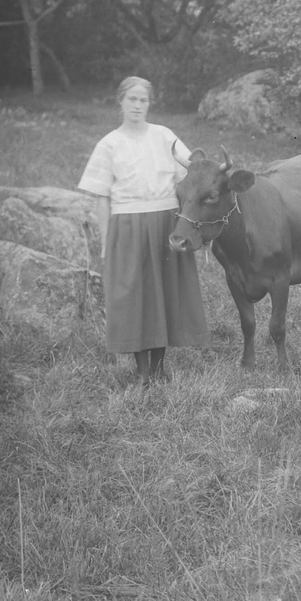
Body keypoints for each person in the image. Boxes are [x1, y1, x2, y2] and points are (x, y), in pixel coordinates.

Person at [78, 76, 209, 383]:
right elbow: (102, 198)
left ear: (150, 104)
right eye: (132, 99)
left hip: (165, 223)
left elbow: (193, 174)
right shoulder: (109, 144)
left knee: (163, 291)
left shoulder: (163, 136)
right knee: (134, 294)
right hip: (128, 226)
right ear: (120, 102)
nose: (137, 106)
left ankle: (159, 366)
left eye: (143, 100)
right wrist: (105, 241)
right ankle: (142, 370)